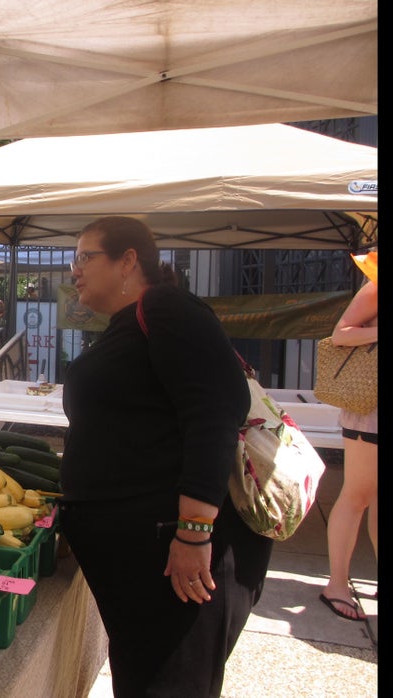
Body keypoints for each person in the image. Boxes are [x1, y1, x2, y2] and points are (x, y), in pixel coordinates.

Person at [57, 216, 272, 697]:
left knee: (170, 685)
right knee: (143, 677)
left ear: (128, 260)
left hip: (173, 557)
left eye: (84, 256)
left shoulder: (167, 307)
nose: (74, 270)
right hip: (140, 559)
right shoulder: (132, 324)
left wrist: (194, 532)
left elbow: (216, 408)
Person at [319, 249, 378, 621]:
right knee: (357, 494)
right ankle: (336, 584)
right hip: (369, 407)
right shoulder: (376, 284)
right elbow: (340, 335)